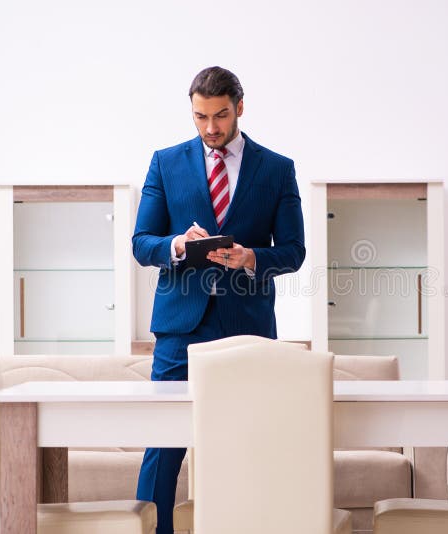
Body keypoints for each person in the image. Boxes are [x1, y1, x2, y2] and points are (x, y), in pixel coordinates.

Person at [132, 66, 305, 533]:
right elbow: (142, 241)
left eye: (221, 115)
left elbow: (294, 251)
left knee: (249, 442)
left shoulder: (277, 169)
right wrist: (177, 246)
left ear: (240, 108)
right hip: (179, 328)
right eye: (201, 116)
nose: (211, 127)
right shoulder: (165, 163)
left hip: (247, 326)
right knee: (162, 445)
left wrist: (251, 256)